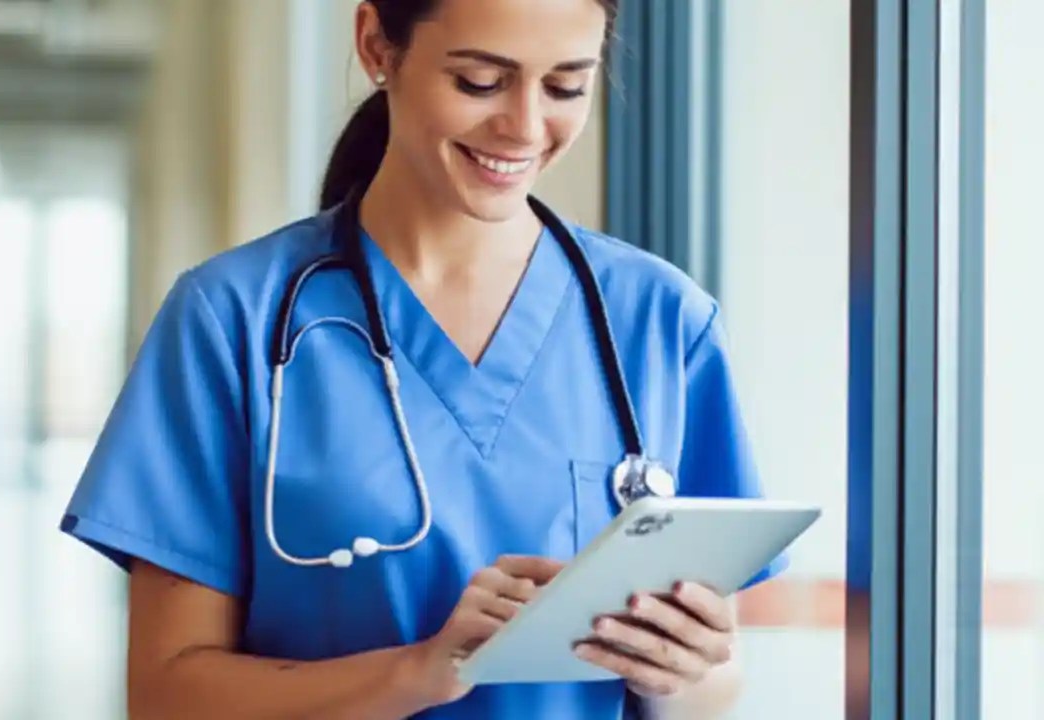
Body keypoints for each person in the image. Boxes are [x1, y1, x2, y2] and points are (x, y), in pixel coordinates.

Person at [59, 0, 787, 717]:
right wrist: (417, 672)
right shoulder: (233, 321)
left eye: (567, 86)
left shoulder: (660, 320)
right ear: (377, 44)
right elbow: (166, 695)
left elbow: (711, 687)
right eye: (479, 82)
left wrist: (681, 676)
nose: (526, 127)